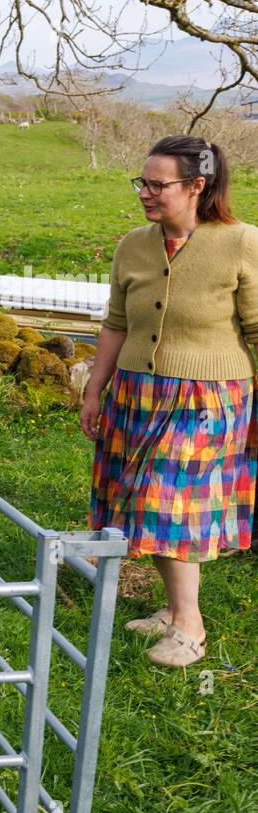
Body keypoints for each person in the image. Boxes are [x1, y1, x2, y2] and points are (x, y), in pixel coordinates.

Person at [82, 135, 257, 668]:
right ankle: (174, 608)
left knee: (165, 501)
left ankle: (189, 627)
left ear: (197, 186)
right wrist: (95, 389)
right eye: (142, 183)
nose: (145, 194)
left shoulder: (241, 242)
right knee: (141, 503)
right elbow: (115, 323)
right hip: (137, 393)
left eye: (157, 185)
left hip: (208, 397)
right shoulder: (133, 244)